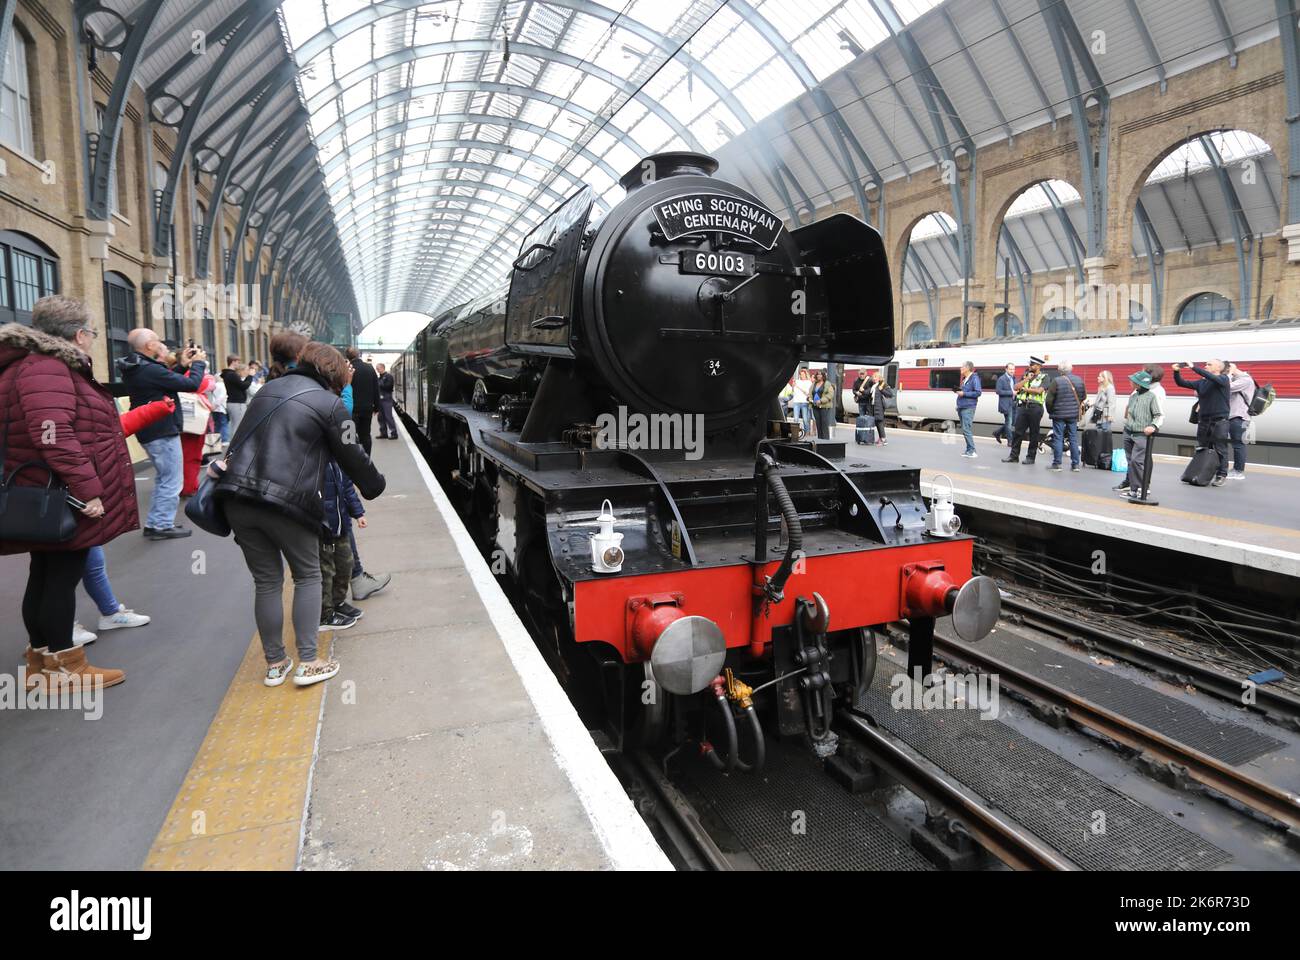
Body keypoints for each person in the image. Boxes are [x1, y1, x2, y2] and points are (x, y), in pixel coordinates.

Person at [216, 339, 385, 687]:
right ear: (337, 373)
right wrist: (375, 485)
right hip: (286, 503)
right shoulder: (330, 403)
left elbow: (238, 441)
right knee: (308, 576)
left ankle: (276, 664)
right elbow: (353, 453)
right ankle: (309, 662)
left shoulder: (268, 389)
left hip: (238, 498)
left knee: (266, 582)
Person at [0, 297, 139, 690]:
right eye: (92, 333)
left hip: (38, 490)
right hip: (60, 492)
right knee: (61, 575)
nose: (93, 340)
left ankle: (40, 663)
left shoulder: (21, 367)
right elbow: (54, 434)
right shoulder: (48, 368)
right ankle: (65, 668)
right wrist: (88, 491)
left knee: (44, 573)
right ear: (79, 334)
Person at [119, 328, 206, 539]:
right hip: (161, 430)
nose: (161, 344)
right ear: (149, 345)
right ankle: (161, 525)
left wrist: (182, 365)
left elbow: (165, 382)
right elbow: (191, 384)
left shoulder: (138, 367)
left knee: (165, 478)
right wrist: (198, 364)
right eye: (158, 341)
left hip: (151, 429)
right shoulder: (149, 369)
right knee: (171, 479)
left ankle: (157, 522)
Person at [1173, 359, 1231, 487]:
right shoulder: (1202, 382)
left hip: (1219, 420)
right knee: (1203, 448)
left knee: (1220, 449)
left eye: (1209, 364)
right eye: (1206, 364)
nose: (1206, 366)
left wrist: (1194, 367)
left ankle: (1221, 475)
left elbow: (1211, 377)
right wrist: (1176, 372)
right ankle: (1202, 473)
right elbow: (1181, 383)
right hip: (1204, 420)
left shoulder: (1223, 379)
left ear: (1218, 368)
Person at [1116, 370, 1163, 501]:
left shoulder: (1152, 397)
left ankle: (1143, 488)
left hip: (1142, 434)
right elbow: (1129, 412)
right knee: (1131, 462)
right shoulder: (1133, 396)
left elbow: (1158, 414)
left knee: (1137, 461)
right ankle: (1133, 489)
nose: (1130, 382)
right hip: (1128, 432)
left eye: (1133, 381)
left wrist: (1153, 426)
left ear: (1139, 383)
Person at [180, 366, 219, 496]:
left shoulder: (185, 376)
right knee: (192, 457)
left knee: (188, 457)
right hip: (195, 426)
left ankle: (188, 485)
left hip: (190, 425)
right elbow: (209, 384)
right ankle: (189, 487)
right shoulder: (192, 377)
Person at [1003, 356, 1047, 464]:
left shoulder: (1044, 377)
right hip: (1023, 407)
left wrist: (1026, 389)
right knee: (1018, 432)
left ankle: (1030, 457)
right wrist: (1026, 379)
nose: (1030, 366)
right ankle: (1014, 456)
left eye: (1032, 365)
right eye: (1030, 364)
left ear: (1038, 366)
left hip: (1035, 408)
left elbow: (1039, 391)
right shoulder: (1025, 376)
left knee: (1034, 433)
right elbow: (1016, 387)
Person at [1045, 360, 1085, 472]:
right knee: (1073, 438)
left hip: (1058, 415)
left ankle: (1057, 464)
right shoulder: (1079, 380)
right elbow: (1083, 396)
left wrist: (1051, 411)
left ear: (1060, 370)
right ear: (1071, 369)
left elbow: (1049, 400)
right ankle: (1075, 465)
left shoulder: (1056, 381)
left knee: (1058, 437)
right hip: (1073, 415)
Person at [345, 347, 380, 455]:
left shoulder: (347, 369)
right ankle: (366, 459)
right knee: (365, 435)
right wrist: (377, 406)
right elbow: (376, 388)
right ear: (359, 354)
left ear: (347, 357)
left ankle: (353, 460)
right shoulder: (369, 368)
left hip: (351, 409)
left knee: (350, 437)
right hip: (367, 408)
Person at [1226, 362, 1256, 480]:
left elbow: (1228, 387)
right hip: (1234, 416)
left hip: (1240, 417)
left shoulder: (1245, 380)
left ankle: (1239, 471)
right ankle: (1235, 469)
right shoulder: (1236, 379)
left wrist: (1229, 373)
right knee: (1236, 444)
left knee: (1239, 445)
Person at [221, 355, 253, 439]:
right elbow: (244, 386)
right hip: (237, 403)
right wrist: (250, 376)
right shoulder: (231, 374)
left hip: (234, 402)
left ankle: (234, 446)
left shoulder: (228, 374)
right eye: (238, 362)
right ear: (233, 362)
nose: (239, 364)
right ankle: (235, 447)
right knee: (238, 425)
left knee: (235, 424)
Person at [955, 361, 981, 458]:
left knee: (966, 429)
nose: (960, 368)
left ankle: (972, 451)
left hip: (968, 407)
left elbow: (978, 392)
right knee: (965, 429)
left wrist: (964, 394)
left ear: (967, 368)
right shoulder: (965, 379)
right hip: (962, 406)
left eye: (962, 367)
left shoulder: (974, 378)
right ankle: (968, 450)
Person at [992, 363, 1015, 444]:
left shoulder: (1013, 378)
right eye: (1010, 369)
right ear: (1006, 369)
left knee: (1010, 422)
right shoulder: (1001, 379)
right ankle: (1010, 441)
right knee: (1009, 422)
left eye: (1013, 369)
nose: (1012, 371)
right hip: (1005, 404)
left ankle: (997, 432)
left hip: (1012, 403)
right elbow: (998, 391)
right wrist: (1011, 393)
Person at [811, 369, 837, 439]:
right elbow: (810, 393)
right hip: (815, 406)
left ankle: (825, 441)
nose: (819, 376)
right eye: (818, 374)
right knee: (818, 424)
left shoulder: (827, 384)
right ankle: (820, 440)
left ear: (823, 376)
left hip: (824, 406)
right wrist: (808, 398)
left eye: (820, 374)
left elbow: (830, 395)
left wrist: (821, 400)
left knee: (824, 424)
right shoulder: (814, 384)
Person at [868, 372, 891, 444]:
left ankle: (884, 439)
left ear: (879, 378)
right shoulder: (873, 386)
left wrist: (882, 390)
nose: (874, 378)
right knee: (876, 423)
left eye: (875, 377)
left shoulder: (883, 385)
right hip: (873, 407)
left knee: (880, 422)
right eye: (873, 377)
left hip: (879, 407)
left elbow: (890, 394)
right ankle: (881, 438)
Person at [376, 362, 397, 439]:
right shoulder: (379, 378)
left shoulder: (389, 376)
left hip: (386, 398)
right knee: (380, 417)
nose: (377, 370)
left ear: (382, 368)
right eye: (377, 369)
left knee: (388, 416)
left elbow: (389, 386)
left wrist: (380, 384)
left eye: (378, 368)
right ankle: (383, 433)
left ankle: (394, 433)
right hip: (380, 400)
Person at [791, 368, 812, 436]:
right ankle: (795, 433)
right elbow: (793, 391)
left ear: (806, 375)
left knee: (805, 419)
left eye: (803, 374)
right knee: (795, 419)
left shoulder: (809, 382)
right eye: (800, 374)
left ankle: (807, 431)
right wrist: (793, 386)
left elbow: (808, 393)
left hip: (804, 402)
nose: (801, 376)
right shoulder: (796, 381)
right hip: (796, 402)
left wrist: (799, 388)